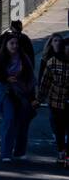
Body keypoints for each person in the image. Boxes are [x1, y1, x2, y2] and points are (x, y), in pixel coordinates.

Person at [0, 34, 37, 163]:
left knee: (23, 123)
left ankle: (20, 151)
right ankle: (6, 153)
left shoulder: (24, 58)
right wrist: (6, 78)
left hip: (23, 94)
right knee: (9, 121)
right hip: (6, 93)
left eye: (16, 43)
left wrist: (33, 97)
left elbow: (31, 79)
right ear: (6, 44)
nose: (14, 46)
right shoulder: (0, 58)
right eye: (12, 43)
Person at [36, 34, 69, 167]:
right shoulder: (53, 62)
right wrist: (38, 99)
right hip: (56, 100)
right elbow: (45, 82)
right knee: (59, 128)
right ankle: (61, 152)